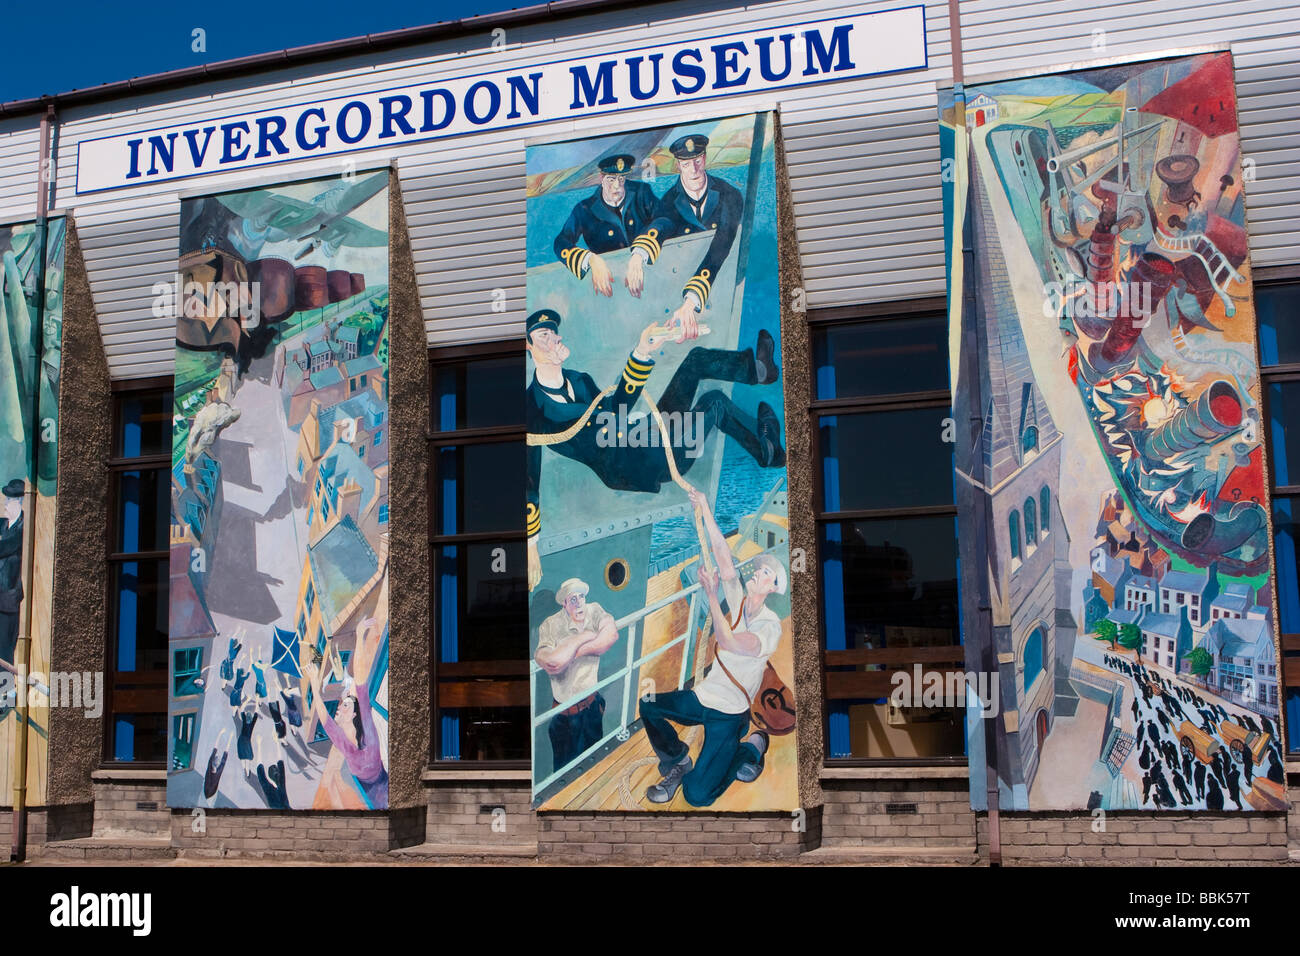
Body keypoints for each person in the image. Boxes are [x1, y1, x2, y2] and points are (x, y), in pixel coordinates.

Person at [524, 308, 782, 587]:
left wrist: (641, 351)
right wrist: (530, 545)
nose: (555, 338)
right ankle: (767, 452)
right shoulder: (531, 410)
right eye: (544, 335)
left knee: (695, 361)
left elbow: (617, 408)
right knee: (715, 403)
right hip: (637, 464)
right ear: (528, 345)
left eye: (554, 332)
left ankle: (759, 370)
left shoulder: (579, 379)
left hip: (644, 433)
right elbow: (527, 477)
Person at [638, 486, 785, 807]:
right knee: (648, 704)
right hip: (704, 697)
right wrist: (704, 506)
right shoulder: (740, 599)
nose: (758, 573)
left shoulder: (769, 626)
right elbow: (721, 553)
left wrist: (710, 593)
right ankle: (677, 760)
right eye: (759, 569)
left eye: (766, 573)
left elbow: (730, 642)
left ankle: (752, 747)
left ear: (773, 587)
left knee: (698, 796)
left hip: (730, 714)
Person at [626, 134, 744, 336]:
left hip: (719, 285)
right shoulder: (670, 200)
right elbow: (661, 224)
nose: (694, 170)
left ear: (705, 159)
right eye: (687, 164)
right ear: (678, 166)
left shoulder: (729, 195)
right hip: (683, 294)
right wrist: (638, 254)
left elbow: (721, 244)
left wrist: (692, 299)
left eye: (698, 161)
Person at [535, 578, 619, 772]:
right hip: (565, 716)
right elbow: (552, 663)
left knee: (594, 764)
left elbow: (611, 635)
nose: (579, 602)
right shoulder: (550, 625)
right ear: (564, 603)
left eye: (581, 597)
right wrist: (583, 637)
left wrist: (572, 653)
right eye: (573, 599)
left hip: (592, 707)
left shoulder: (594, 610)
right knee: (565, 774)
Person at [553, 153, 658, 296]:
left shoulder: (641, 193)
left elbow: (664, 220)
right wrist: (591, 259)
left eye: (621, 179)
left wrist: (640, 252)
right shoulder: (584, 209)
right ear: (601, 179)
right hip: (611, 285)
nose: (617, 186)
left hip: (649, 277)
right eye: (611, 179)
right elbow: (561, 242)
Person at [305, 660, 388, 808]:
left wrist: (360, 636)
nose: (340, 707)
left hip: (384, 793)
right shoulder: (343, 742)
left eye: (345, 705)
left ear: (354, 714)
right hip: (369, 794)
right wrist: (314, 685)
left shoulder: (367, 736)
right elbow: (326, 721)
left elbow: (361, 690)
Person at [0, 479, 26, 666]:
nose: (6, 504)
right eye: (6, 499)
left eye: (10, 500)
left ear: (21, 502)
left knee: (5, 650)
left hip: (8, 601)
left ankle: (6, 693)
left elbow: (7, 547)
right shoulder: (3, 525)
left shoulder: (22, 529)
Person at [203, 727, 231, 802]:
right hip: (211, 793)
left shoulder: (211, 766)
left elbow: (222, 751)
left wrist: (220, 733)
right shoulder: (218, 769)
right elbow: (225, 752)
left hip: (210, 792)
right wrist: (230, 738)